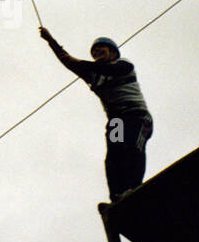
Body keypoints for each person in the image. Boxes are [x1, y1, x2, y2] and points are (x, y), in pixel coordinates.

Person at [39, 26, 152, 201]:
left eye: (101, 49)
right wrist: (50, 41)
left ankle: (134, 187)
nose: (97, 52)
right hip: (117, 121)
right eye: (94, 52)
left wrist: (80, 65)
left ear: (113, 53)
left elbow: (105, 69)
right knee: (114, 155)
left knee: (131, 146)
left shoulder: (124, 65)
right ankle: (117, 196)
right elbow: (66, 60)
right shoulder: (93, 75)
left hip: (136, 116)